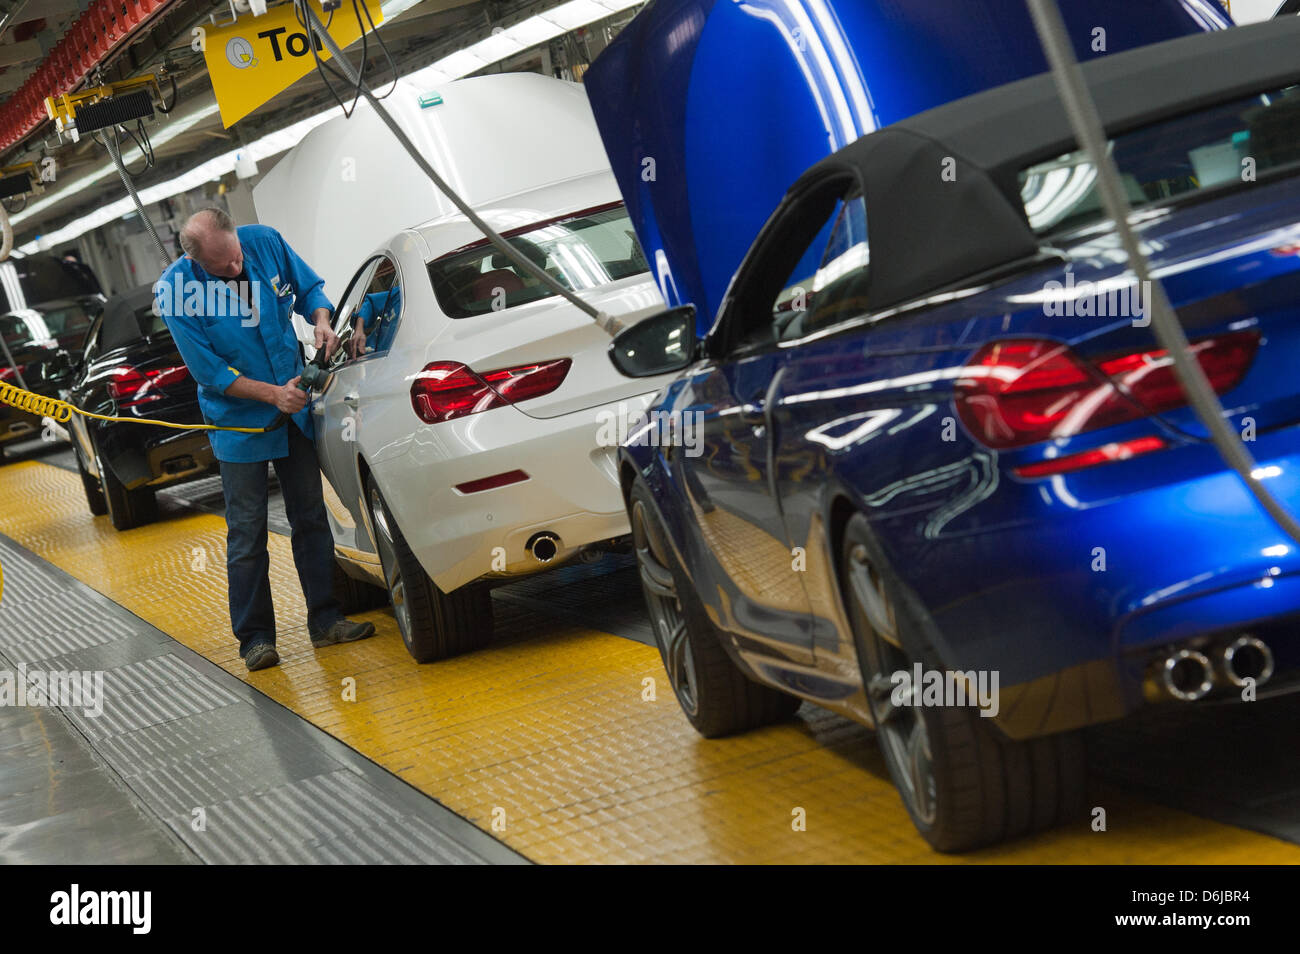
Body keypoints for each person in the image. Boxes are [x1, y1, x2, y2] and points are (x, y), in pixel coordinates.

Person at [155, 208, 375, 671]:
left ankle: (326, 619)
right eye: (222, 267)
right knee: (247, 532)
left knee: (311, 517)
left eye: (236, 257)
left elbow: (310, 290)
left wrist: (321, 320)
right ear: (195, 262)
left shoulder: (265, 242)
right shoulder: (175, 293)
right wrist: (272, 395)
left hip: (292, 409)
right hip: (240, 423)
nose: (235, 267)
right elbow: (210, 371)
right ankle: (255, 639)